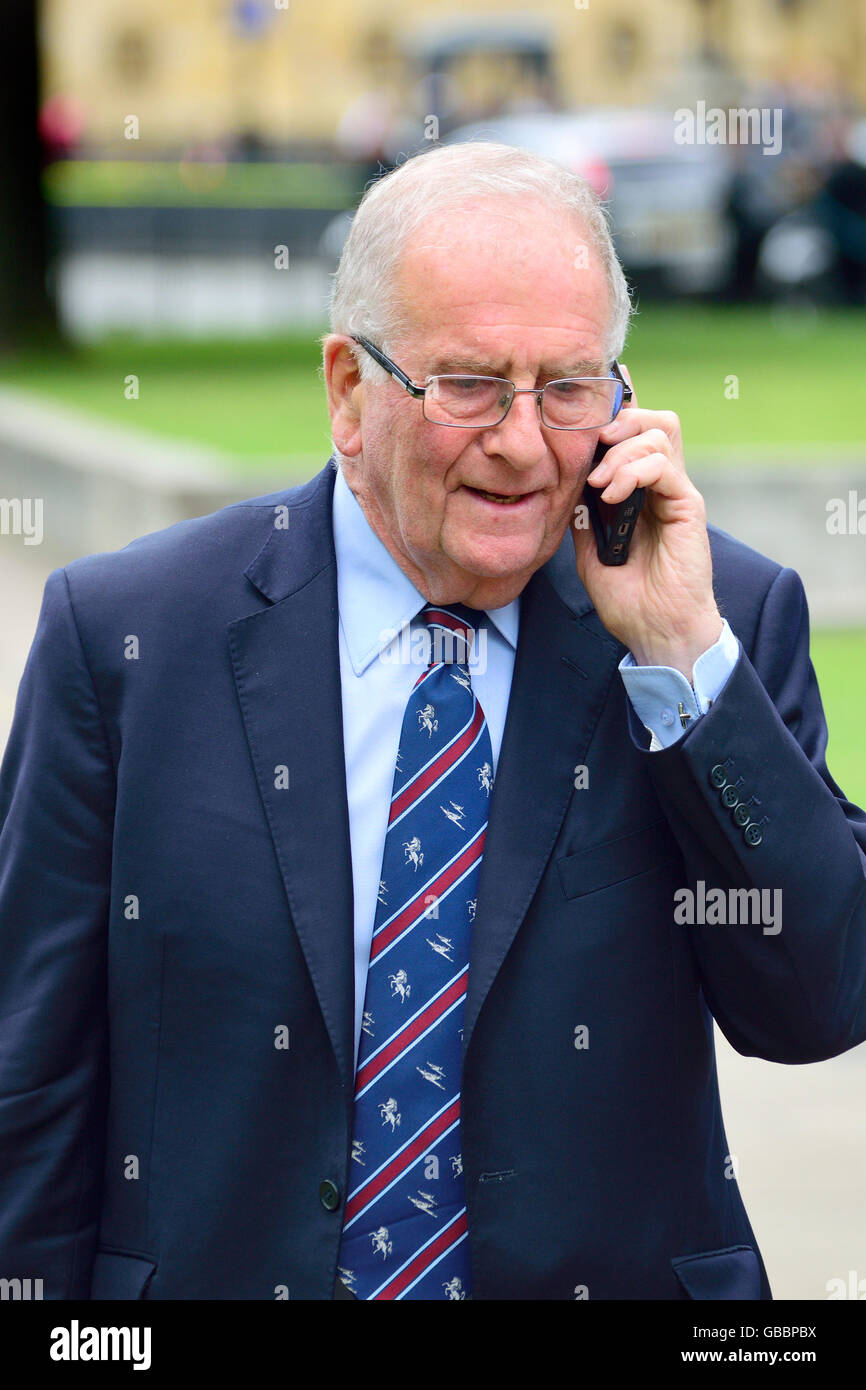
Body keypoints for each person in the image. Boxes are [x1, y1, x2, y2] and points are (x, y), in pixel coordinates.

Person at [1, 142, 864, 1302]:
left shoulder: (712, 617)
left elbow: (816, 1001)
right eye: (467, 385)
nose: (520, 443)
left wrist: (677, 659)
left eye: (566, 387)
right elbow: (32, 1085)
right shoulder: (126, 637)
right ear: (349, 392)